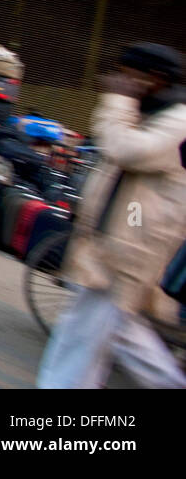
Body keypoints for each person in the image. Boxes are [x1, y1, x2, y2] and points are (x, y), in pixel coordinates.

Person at [37, 43, 186, 389]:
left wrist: (118, 102)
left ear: (156, 79)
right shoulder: (155, 112)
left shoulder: (179, 120)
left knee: (84, 334)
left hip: (133, 246)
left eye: (128, 75)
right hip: (116, 241)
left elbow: (126, 150)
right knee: (112, 331)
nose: (120, 81)